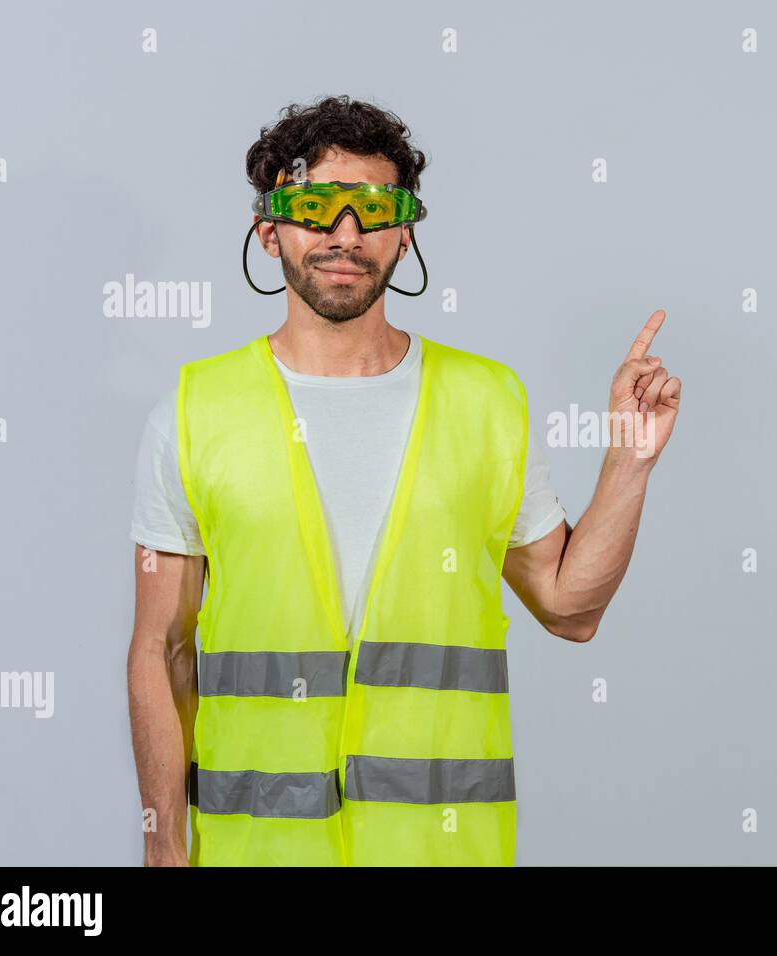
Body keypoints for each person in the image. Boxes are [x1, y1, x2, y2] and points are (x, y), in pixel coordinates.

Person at [125, 95, 682, 866]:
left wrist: (629, 458)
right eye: (315, 206)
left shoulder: (487, 401)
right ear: (268, 229)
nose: (345, 235)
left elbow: (570, 609)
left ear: (405, 232)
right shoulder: (193, 412)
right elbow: (161, 648)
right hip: (257, 850)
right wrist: (163, 842)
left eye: (374, 210)